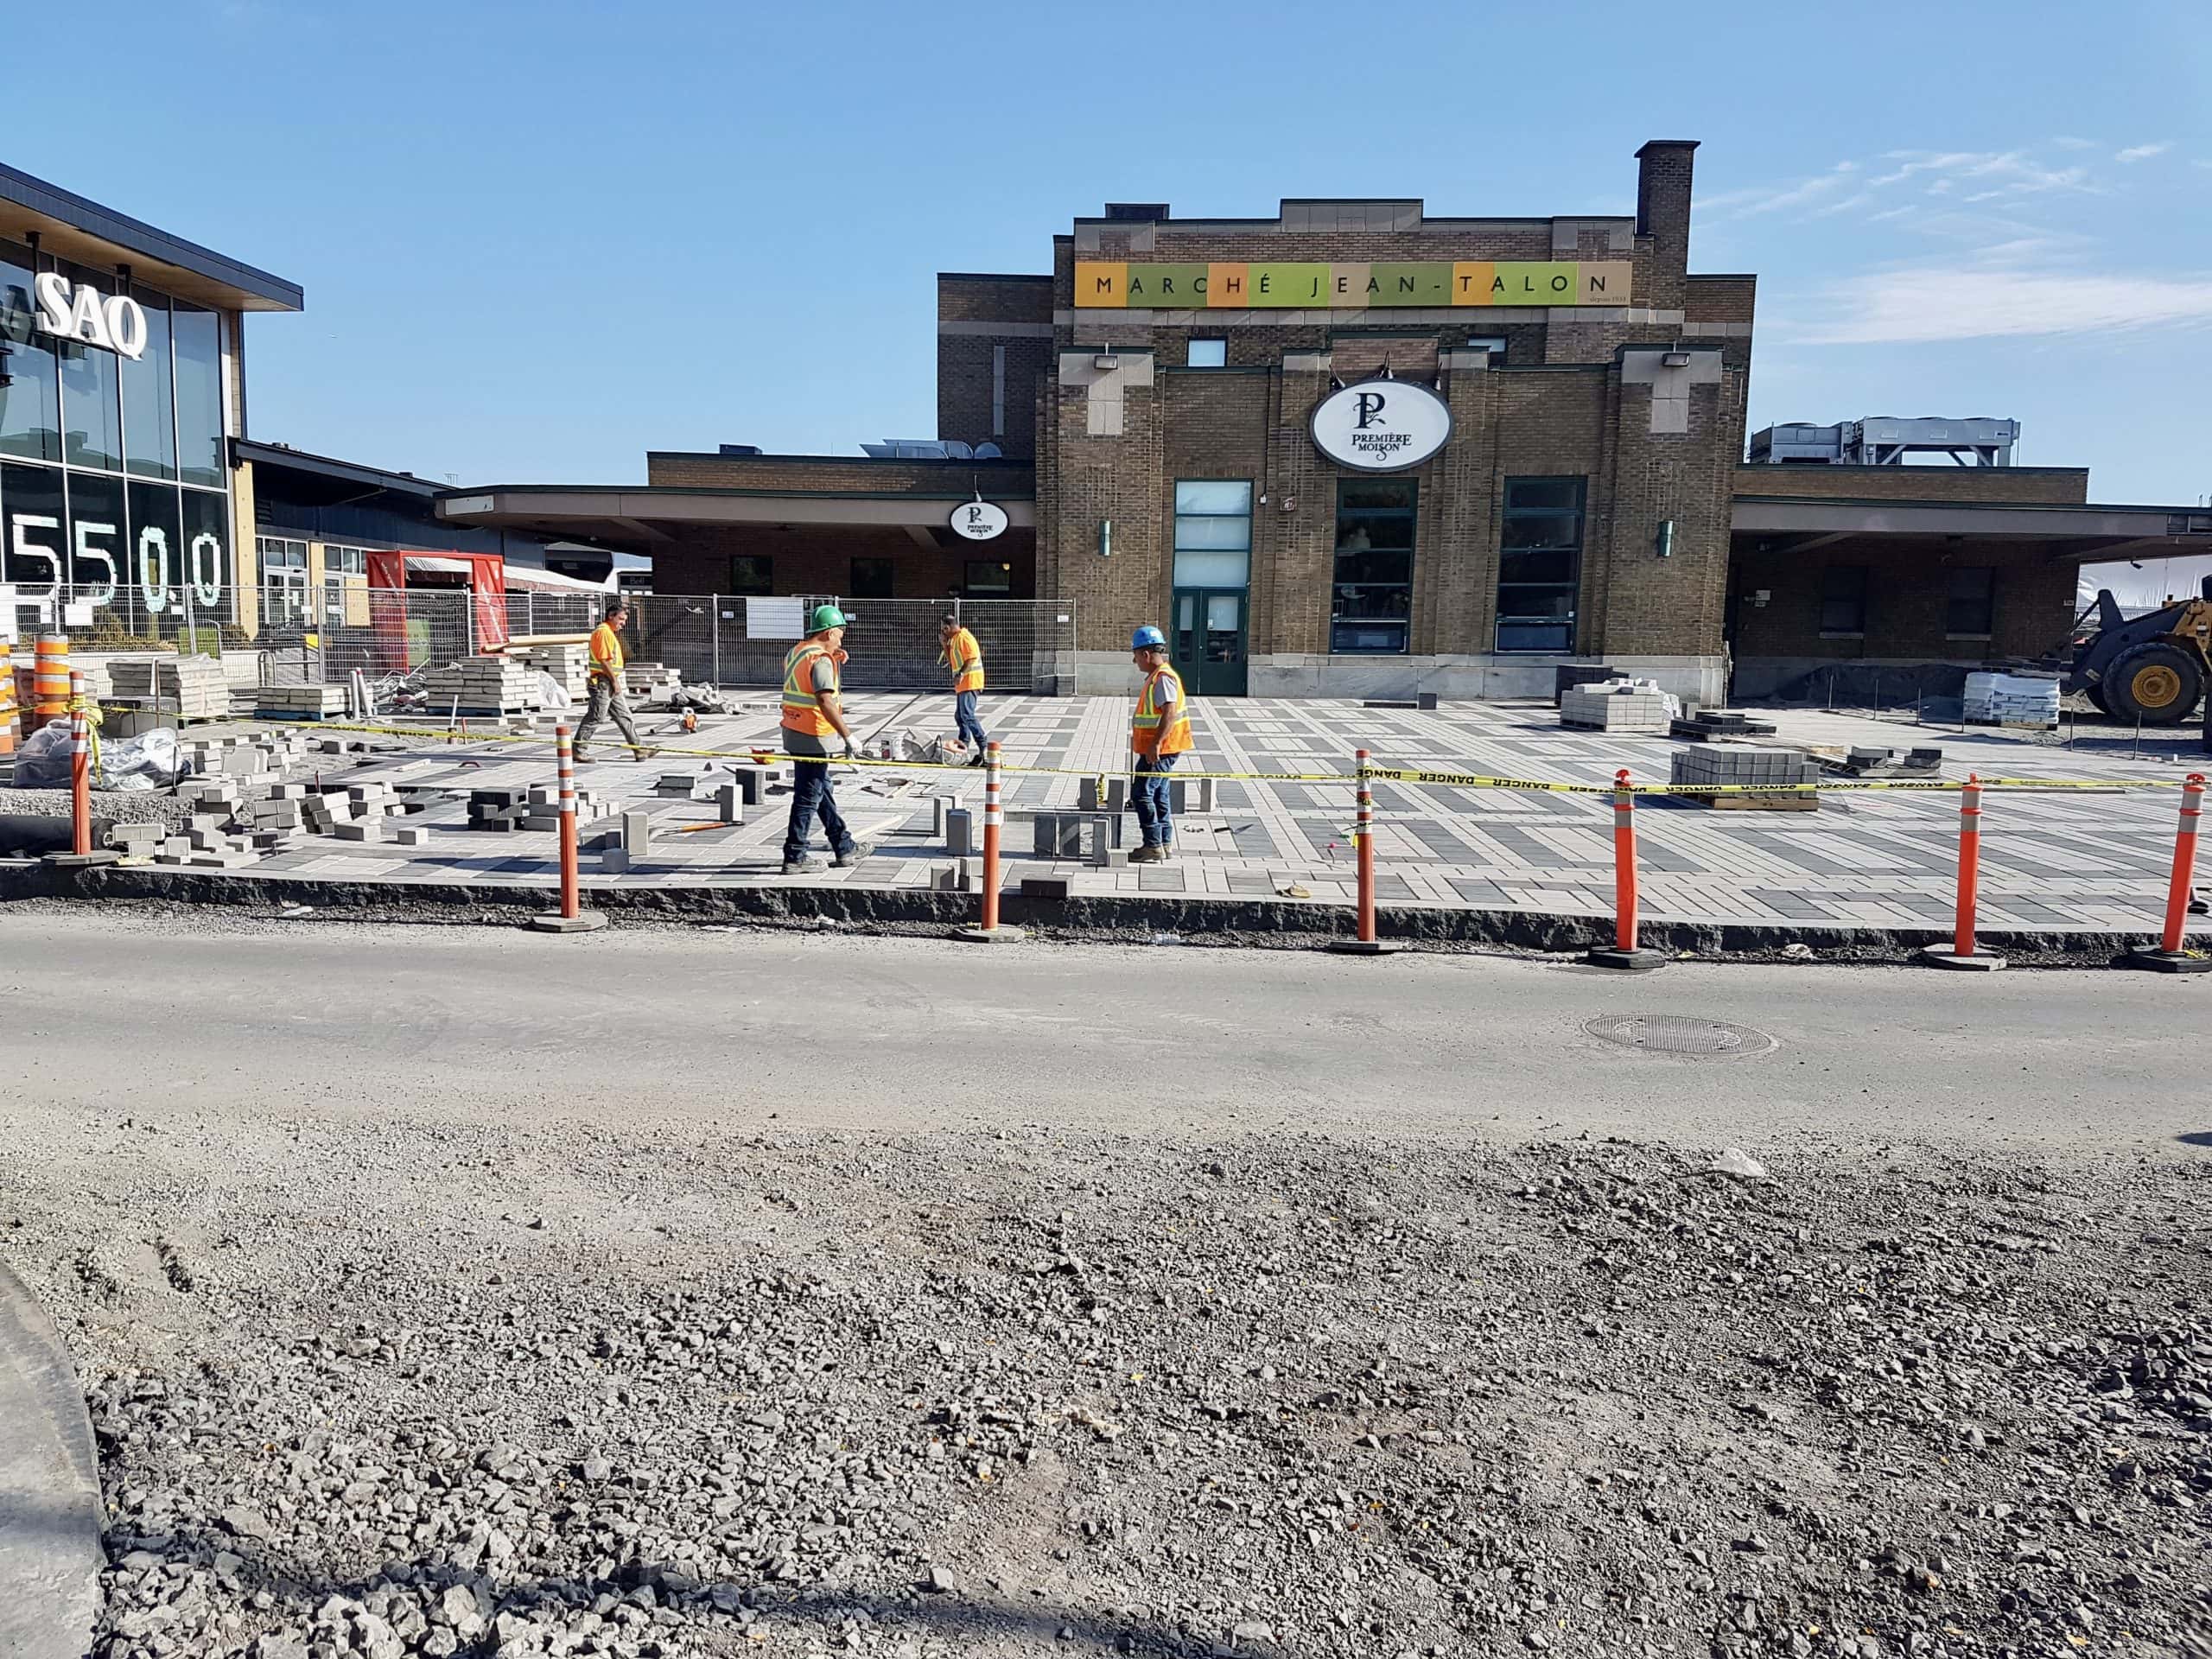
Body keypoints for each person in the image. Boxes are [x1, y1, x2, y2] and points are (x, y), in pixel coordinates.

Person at [779, 604, 870, 874]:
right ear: (829, 632)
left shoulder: (797, 652)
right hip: (814, 735)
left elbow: (805, 680)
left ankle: (844, 846)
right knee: (808, 797)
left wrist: (833, 655)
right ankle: (795, 856)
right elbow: (824, 699)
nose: (842, 638)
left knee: (822, 791)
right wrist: (848, 736)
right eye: (840, 633)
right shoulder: (820, 659)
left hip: (794, 730)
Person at [1127, 625, 1192, 863]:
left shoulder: (1162, 678)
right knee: (1159, 794)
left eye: (1136, 657)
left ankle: (1153, 845)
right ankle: (1164, 843)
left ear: (1145, 654)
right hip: (1164, 748)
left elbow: (1169, 713)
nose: (1136, 663)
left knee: (1142, 793)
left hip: (1160, 750)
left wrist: (1155, 744)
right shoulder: (1160, 676)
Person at [574, 601, 645, 763]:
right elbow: (604, 660)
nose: (623, 624)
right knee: (596, 716)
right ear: (611, 616)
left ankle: (640, 749)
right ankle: (578, 750)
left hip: (608, 681)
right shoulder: (603, 632)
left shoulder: (609, 633)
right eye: (621, 619)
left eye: (624, 620)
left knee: (624, 716)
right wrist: (614, 681)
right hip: (603, 681)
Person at [938, 613, 988, 765]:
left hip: (970, 682)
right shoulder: (954, 640)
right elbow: (952, 661)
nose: (942, 632)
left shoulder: (964, 637)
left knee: (967, 715)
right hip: (963, 684)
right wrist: (944, 644)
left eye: (943, 629)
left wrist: (961, 674)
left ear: (947, 627)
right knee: (960, 716)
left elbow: (972, 658)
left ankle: (983, 745)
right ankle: (964, 745)